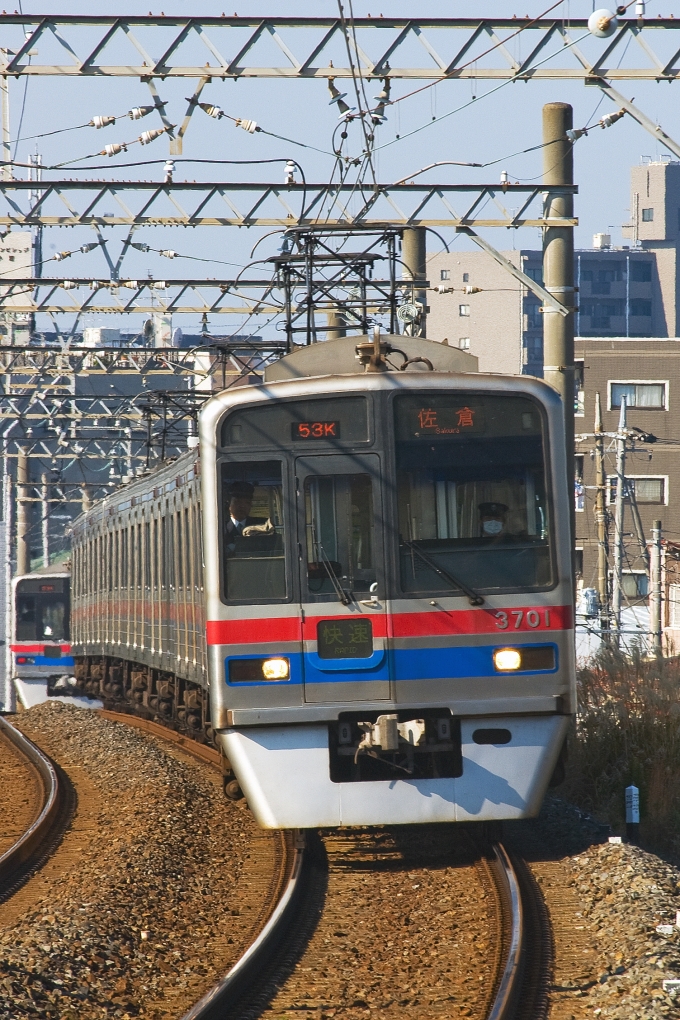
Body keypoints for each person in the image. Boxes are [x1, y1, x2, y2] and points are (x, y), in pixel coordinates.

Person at [224, 480, 275, 555]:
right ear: (229, 504)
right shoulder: (221, 528)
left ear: (251, 505)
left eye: (247, 502)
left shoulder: (263, 525)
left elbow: (271, 549)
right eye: (237, 502)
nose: (242, 506)